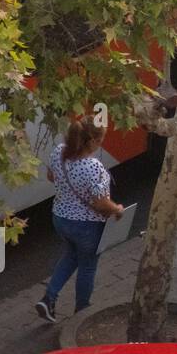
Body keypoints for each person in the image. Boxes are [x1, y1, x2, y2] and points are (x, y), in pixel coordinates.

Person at [36, 120, 126, 323]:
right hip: (86, 226)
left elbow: (51, 176)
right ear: (92, 140)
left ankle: (48, 298)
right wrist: (118, 209)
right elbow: (101, 203)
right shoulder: (93, 167)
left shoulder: (59, 151)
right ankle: (82, 310)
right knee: (87, 266)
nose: (101, 144)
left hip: (60, 218)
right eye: (100, 140)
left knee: (71, 255)